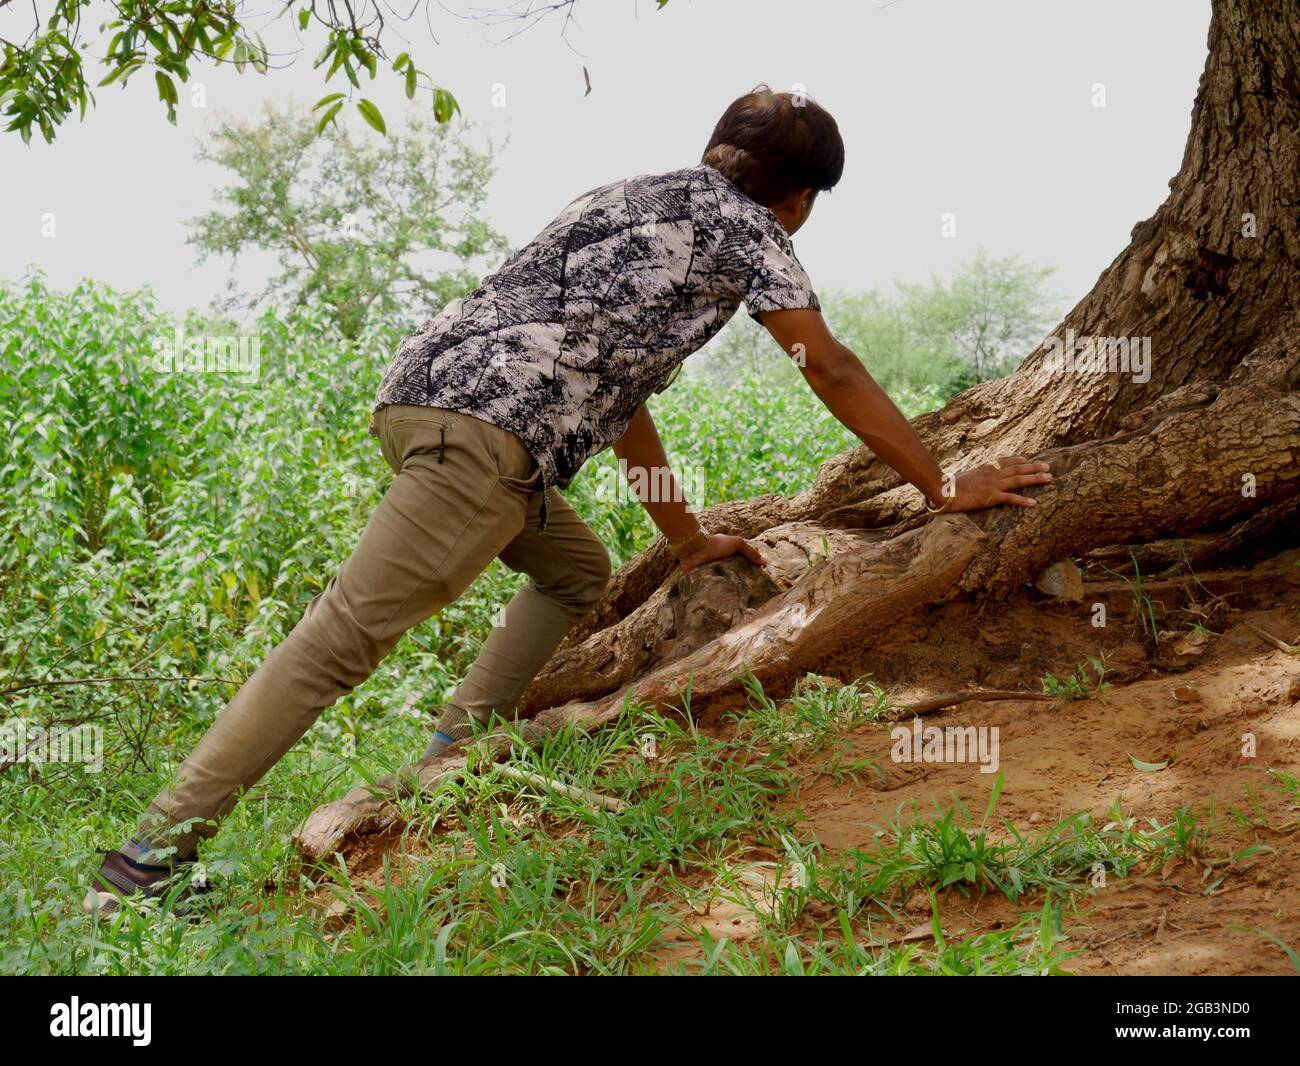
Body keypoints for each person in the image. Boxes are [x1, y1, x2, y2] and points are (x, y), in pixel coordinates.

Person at [86, 85, 1051, 912]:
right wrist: (943, 482)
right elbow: (828, 365)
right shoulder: (749, 230)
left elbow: (617, 399)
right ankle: (143, 865)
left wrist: (687, 541)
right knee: (337, 644)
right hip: (488, 443)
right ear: (800, 200)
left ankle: (452, 754)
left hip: (424, 401)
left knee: (577, 571)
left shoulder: (630, 197)